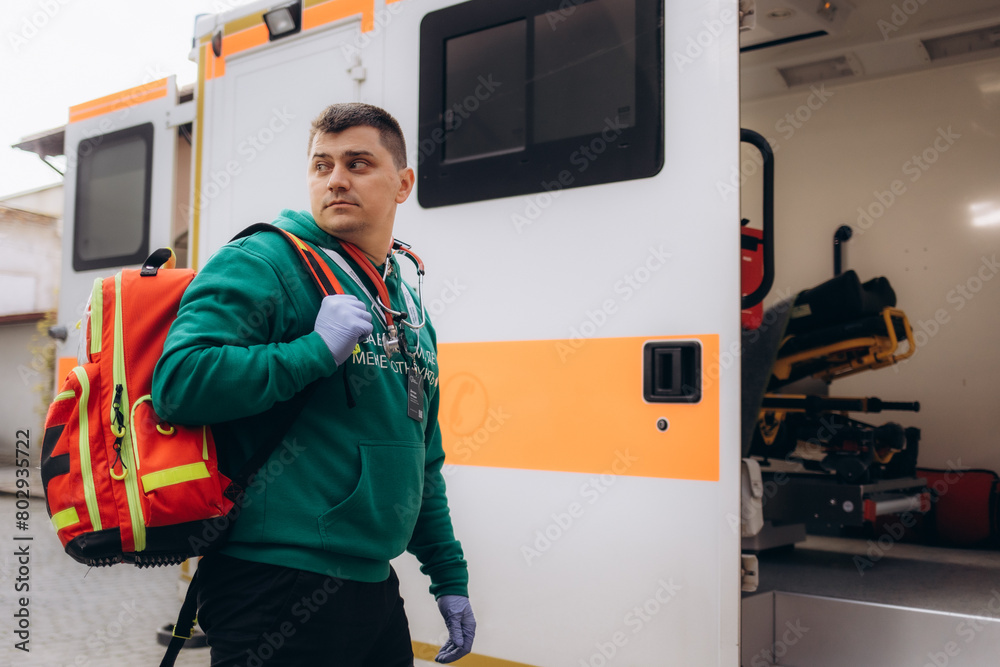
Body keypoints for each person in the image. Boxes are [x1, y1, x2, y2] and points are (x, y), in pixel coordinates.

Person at [152, 103, 475, 666]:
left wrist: (449, 576)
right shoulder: (265, 260)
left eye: (358, 163)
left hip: (373, 587)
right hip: (271, 582)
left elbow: (421, 460)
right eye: (322, 165)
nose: (336, 179)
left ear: (403, 184)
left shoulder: (405, 305)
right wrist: (313, 351)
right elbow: (180, 381)